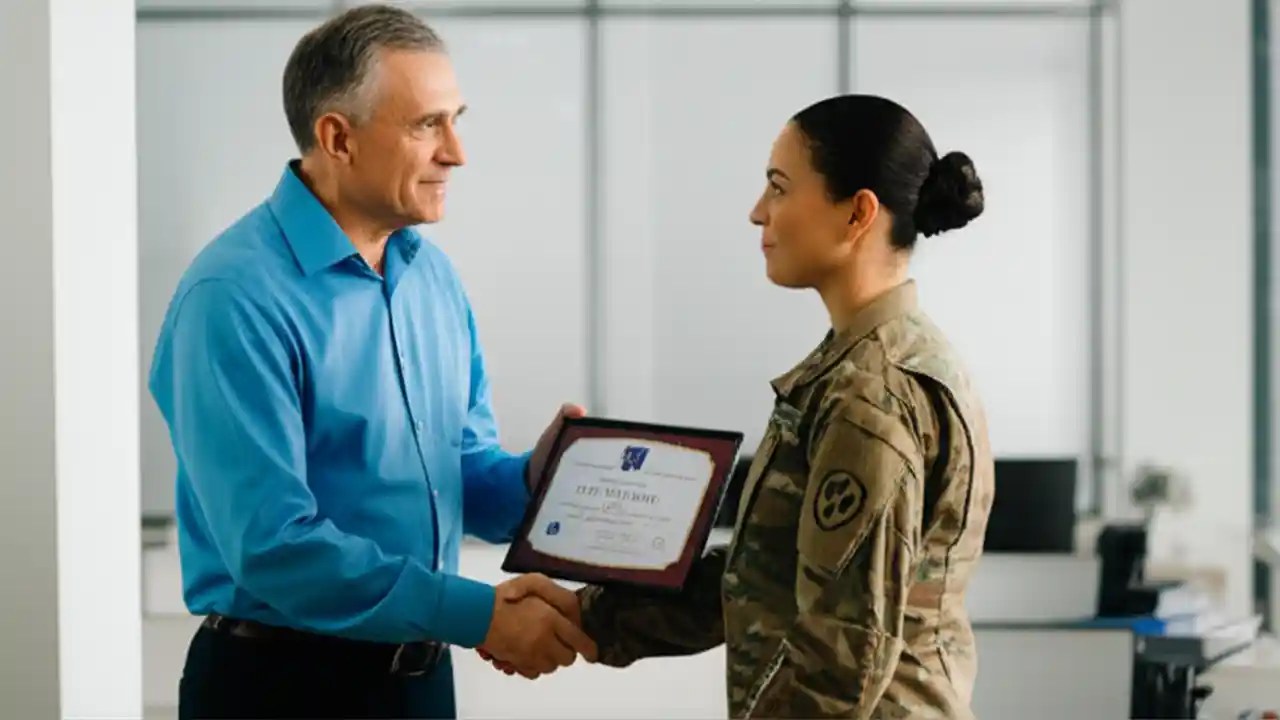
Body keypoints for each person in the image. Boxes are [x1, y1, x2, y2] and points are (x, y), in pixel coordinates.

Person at [147, 4, 595, 719]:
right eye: (427, 125)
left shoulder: (432, 278)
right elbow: (273, 547)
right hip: (279, 688)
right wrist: (480, 615)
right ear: (337, 137)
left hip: (419, 681)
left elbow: (458, 477)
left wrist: (534, 479)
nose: (456, 152)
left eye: (456, 120)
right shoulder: (232, 296)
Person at [568, 95, 996, 719]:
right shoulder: (864, 363)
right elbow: (767, 574)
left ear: (857, 213)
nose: (758, 212)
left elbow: (839, 665)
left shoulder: (871, 394)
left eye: (779, 187)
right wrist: (586, 616)